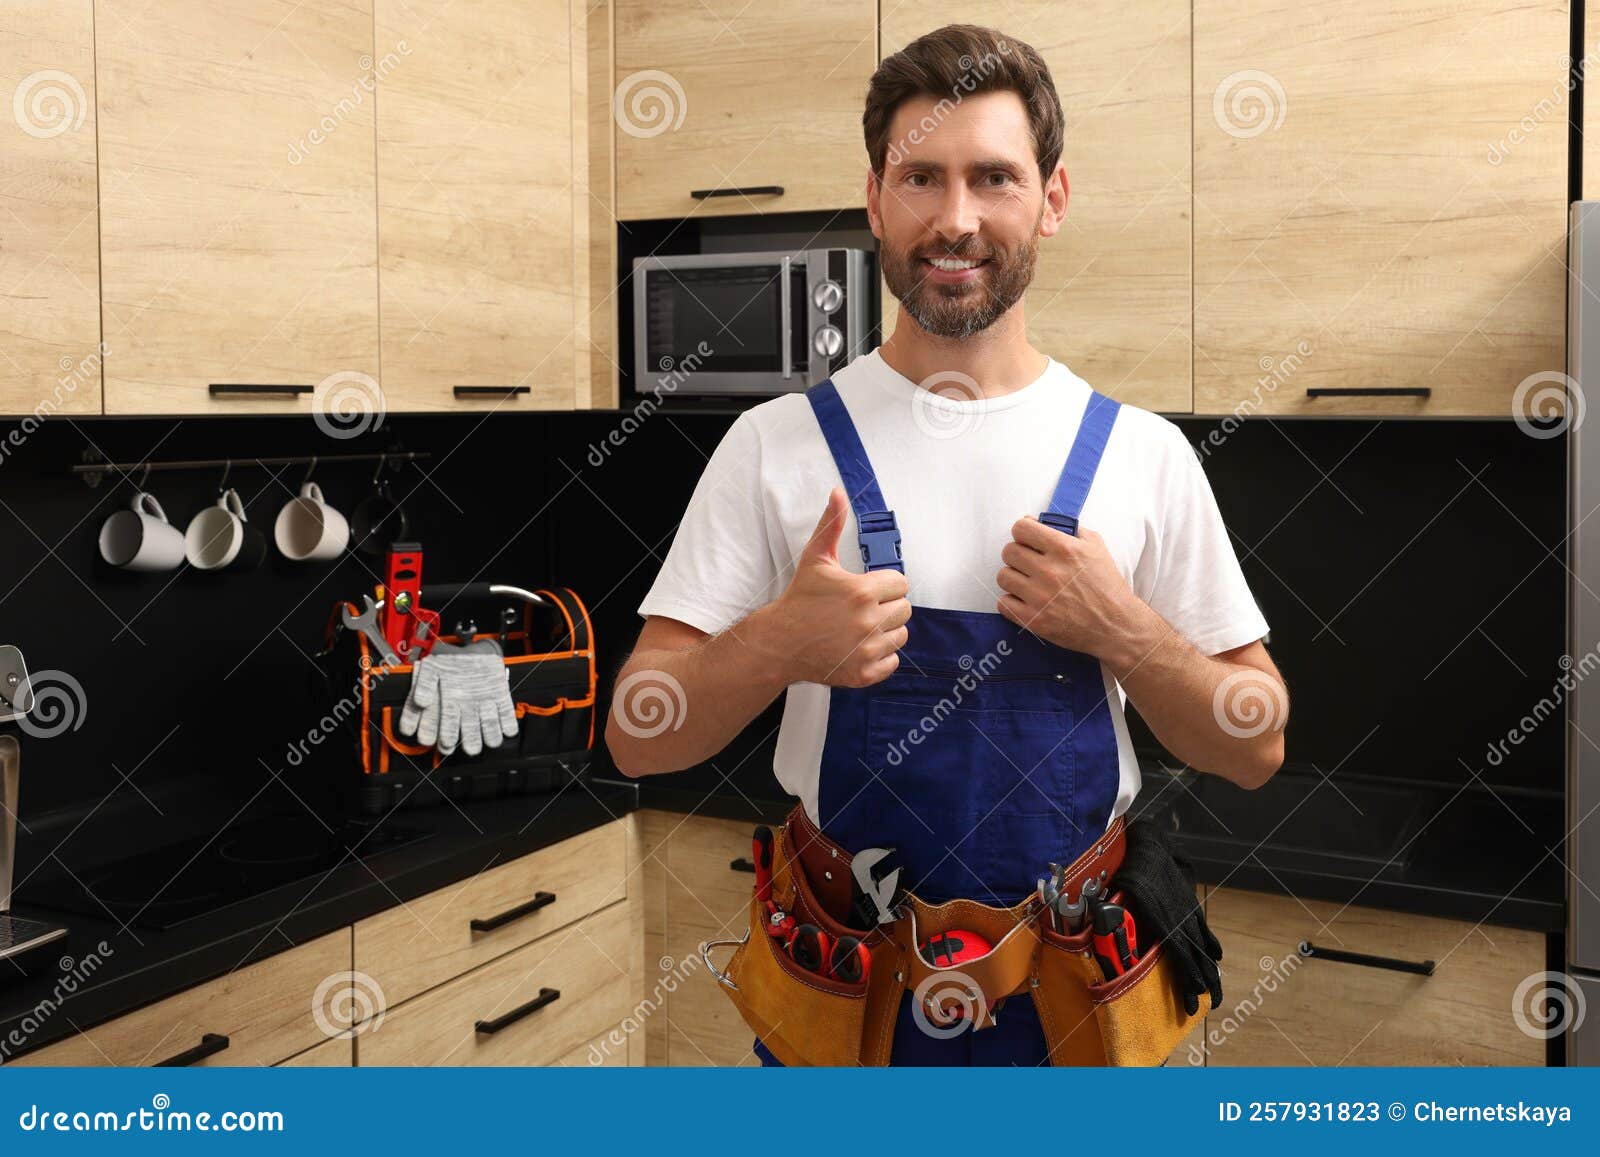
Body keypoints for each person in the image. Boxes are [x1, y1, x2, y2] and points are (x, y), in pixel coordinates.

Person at [607, 22, 1287, 1066]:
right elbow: (637, 737)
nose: (955, 219)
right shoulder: (773, 447)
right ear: (876, 197)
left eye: (994, 178)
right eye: (921, 176)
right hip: (850, 1011)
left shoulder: (1143, 456)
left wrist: (1128, 635)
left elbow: (1254, 744)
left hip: (1080, 1010)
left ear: (1050, 200)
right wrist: (780, 644)